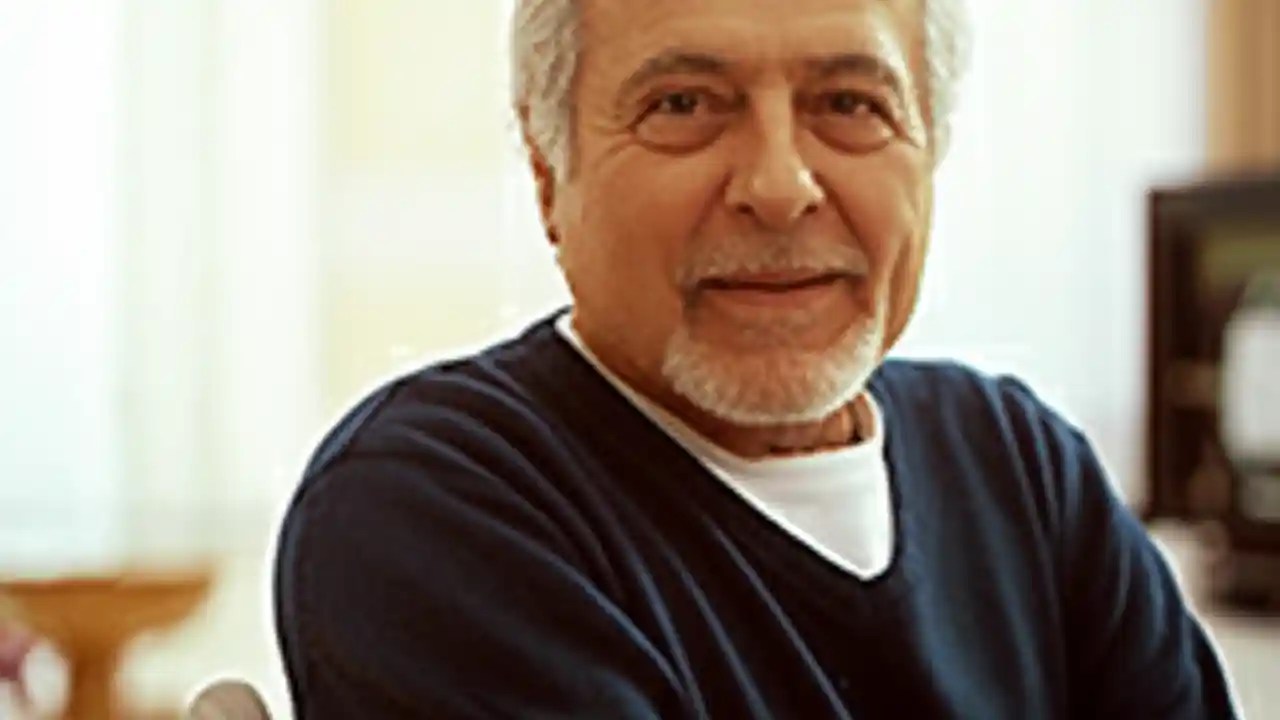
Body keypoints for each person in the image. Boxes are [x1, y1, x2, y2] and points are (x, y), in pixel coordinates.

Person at [275, 0, 1238, 717]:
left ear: (929, 157)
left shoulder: (1022, 468)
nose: (780, 186)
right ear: (548, 180)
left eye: (850, 104)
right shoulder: (435, 504)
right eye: (685, 103)